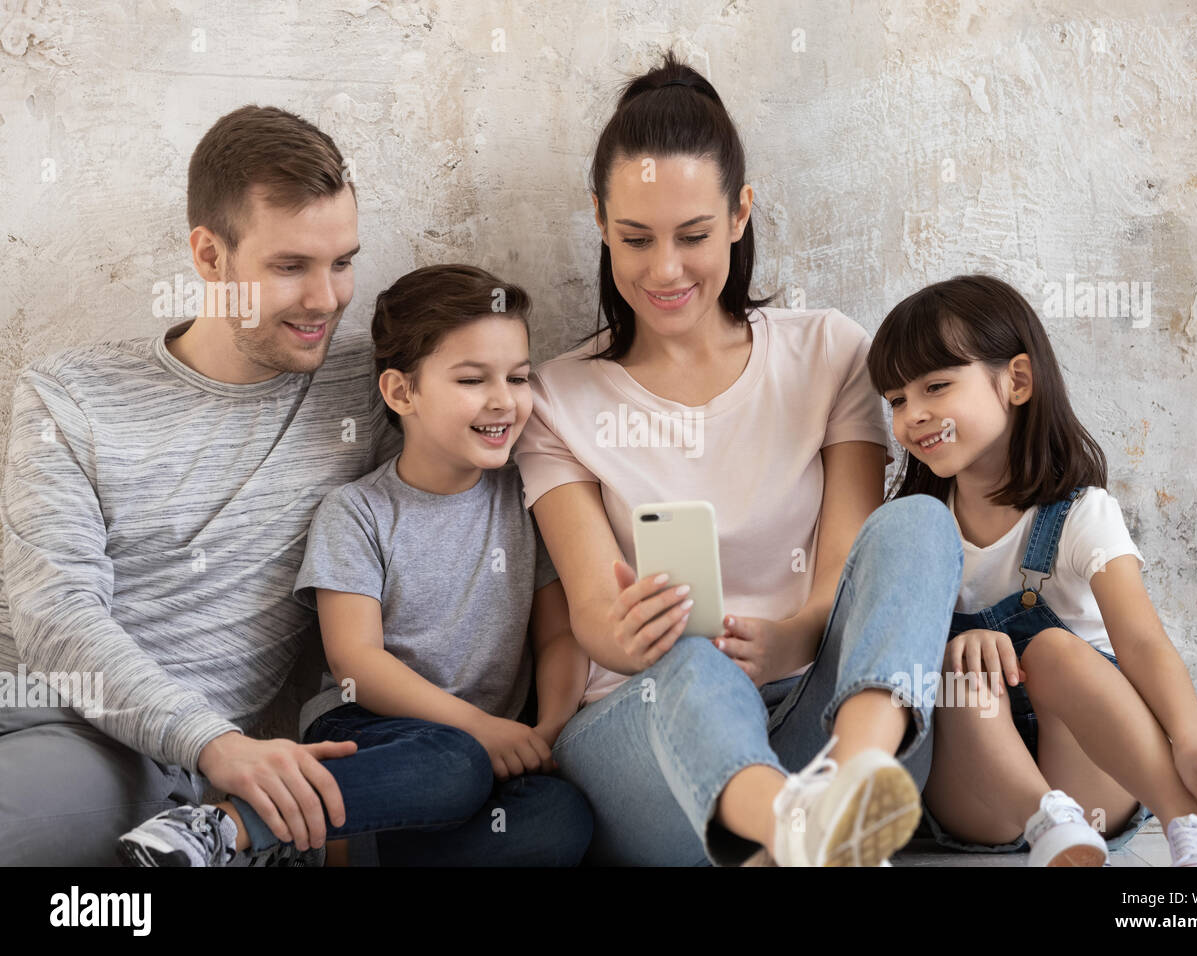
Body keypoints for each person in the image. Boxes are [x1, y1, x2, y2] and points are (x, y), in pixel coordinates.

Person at [513, 51, 964, 866]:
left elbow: (844, 570)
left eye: (692, 235)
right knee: (692, 659)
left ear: (740, 213)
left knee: (920, 522)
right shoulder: (558, 396)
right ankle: (799, 830)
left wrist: (792, 638)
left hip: (817, 720)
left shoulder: (827, 352)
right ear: (598, 220)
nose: (665, 270)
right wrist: (622, 633)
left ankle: (854, 789)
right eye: (634, 239)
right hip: (654, 741)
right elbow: (587, 609)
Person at [0, 105, 402, 865]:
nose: (326, 298)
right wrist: (216, 742)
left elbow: (501, 425)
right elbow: (55, 613)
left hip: (139, 759)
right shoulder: (69, 391)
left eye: (342, 261)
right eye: (290, 267)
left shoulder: (370, 388)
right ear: (210, 256)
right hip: (42, 707)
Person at [119, 265, 593, 866]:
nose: (504, 400)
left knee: (560, 817)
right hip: (366, 733)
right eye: (472, 379)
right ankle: (226, 828)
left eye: (519, 377)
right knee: (455, 764)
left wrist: (548, 728)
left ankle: (334, 845)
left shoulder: (529, 498)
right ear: (401, 393)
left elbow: (559, 632)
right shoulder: (359, 511)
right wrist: (480, 728)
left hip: (479, 760)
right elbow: (357, 662)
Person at [867, 273, 1197, 866]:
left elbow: (1143, 641)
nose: (912, 415)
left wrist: (1193, 742)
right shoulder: (915, 530)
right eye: (896, 400)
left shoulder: (1080, 515)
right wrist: (954, 650)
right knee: (958, 664)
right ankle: (1048, 823)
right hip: (981, 794)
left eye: (935, 386)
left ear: (1016, 380)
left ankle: (1192, 825)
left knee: (1052, 651)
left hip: (1093, 778)